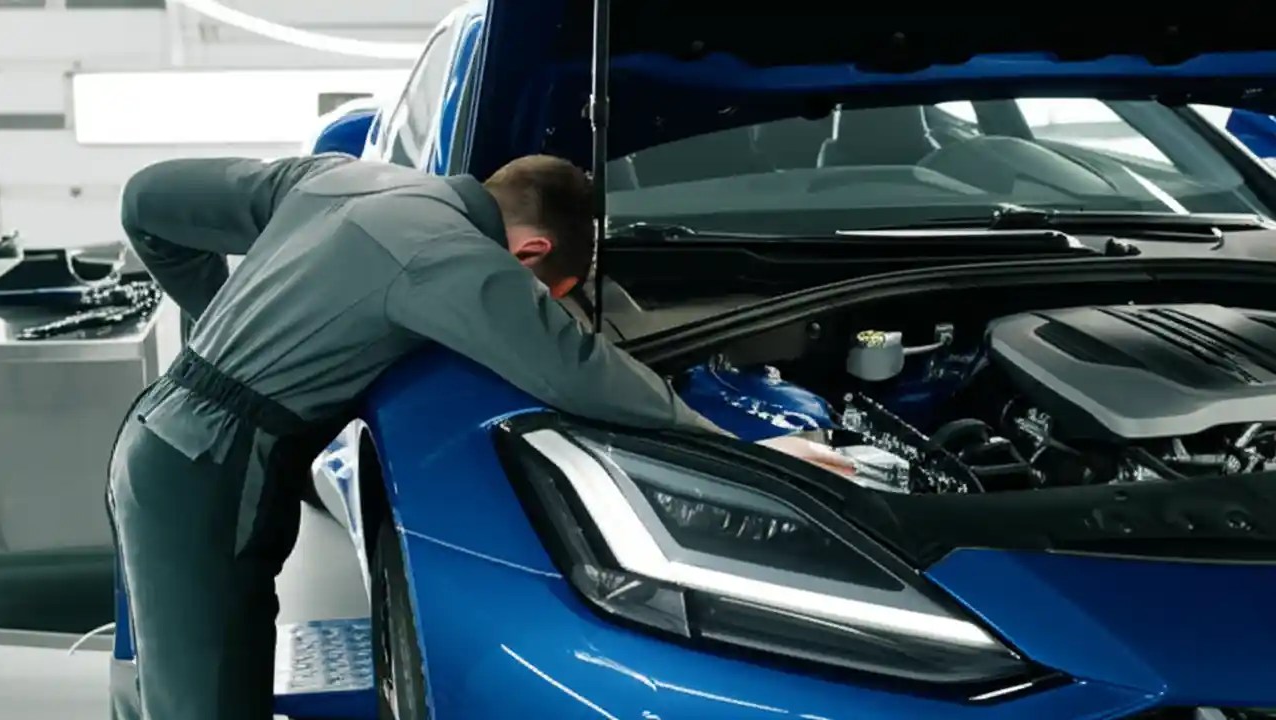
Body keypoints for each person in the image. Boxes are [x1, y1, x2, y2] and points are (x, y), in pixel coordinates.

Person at [108, 152, 855, 720]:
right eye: (547, 297)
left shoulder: (342, 177)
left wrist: (222, 324)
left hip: (160, 436)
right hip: (210, 467)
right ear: (529, 254)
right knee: (202, 702)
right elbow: (574, 368)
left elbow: (146, 201)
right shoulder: (446, 256)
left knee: (182, 686)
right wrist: (740, 451)